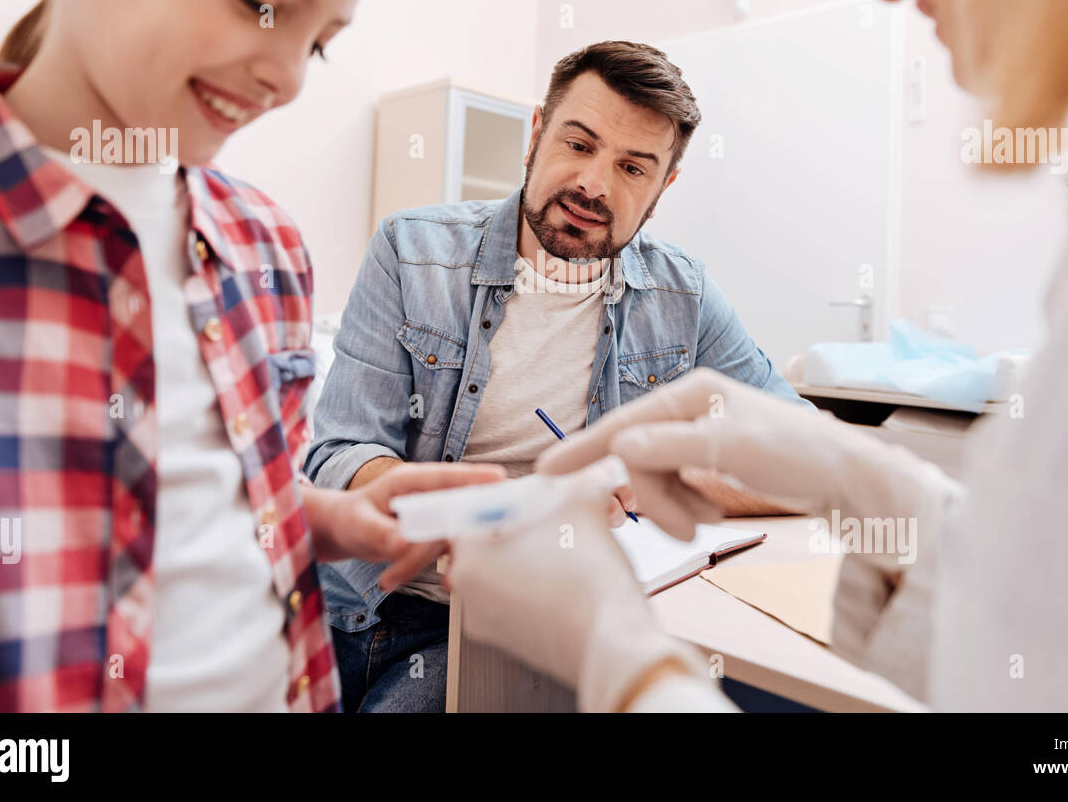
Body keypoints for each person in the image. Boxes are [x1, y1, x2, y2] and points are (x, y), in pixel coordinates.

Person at [447, 0, 1068, 712]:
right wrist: (864, 484)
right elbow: (1057, 650)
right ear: (537, 134)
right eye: (579, 145)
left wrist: (620, 655)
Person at [0, 0, 502, 712]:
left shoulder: (262, 243)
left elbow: (183, 510)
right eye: (256, 1)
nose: (288, 75)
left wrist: (326, 518)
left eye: (319, 43)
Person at [306, 40, 812, 712]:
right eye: (579, 145)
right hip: (383, 605)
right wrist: (450, 510)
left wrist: (648, 479)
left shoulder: (681, 294)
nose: (594, 185)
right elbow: (338, 453)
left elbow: (803, 447)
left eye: (633, 166)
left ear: (662, 190)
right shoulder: (411, 251)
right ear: (536, 134)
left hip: (535, 615)